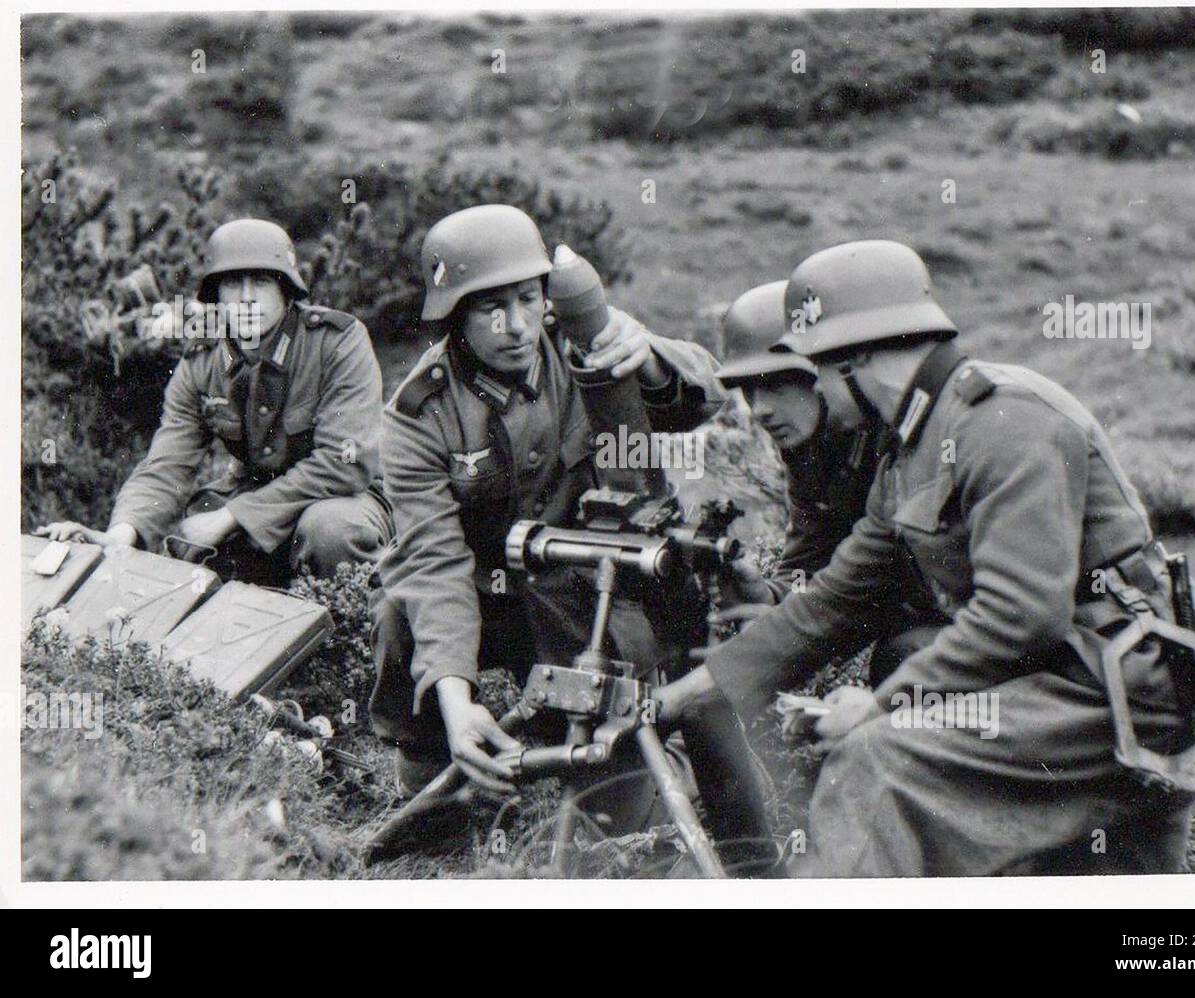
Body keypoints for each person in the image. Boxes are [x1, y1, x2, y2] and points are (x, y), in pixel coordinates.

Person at [656, 239, 1195, 876]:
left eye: (813, 372)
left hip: (1112, 691)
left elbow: (1021, 615)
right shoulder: (911, 449)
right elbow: (838, 597)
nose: (806, 397)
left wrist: (885, 703)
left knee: (874, 762)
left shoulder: (1002, 420)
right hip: (1056, 685)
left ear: (853, 359)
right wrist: (704, 687)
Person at [367, 204, 771, 864]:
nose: (517, 325)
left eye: (528, 298)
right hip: (489, 598)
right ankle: (439, 816)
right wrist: (456, 700)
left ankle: (630, 813)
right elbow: (432, 564)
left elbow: (704, 391)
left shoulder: (586, 344)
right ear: (453, 316)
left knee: (614, 812)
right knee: (399, 623)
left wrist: (651, 358)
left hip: (598, 593)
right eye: (491, 307)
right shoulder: (418, 415)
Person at [39, 219, 392, 586]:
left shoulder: (337, 341)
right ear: (216, 295)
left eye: (261, 281)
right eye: (232, 283)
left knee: (329, 529)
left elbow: (345, 465)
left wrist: (232, 517)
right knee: (190, 543)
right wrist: (121, 535)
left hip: (352, 496)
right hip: (260, 492)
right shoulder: (202, 360)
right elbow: (169, 463)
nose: (246, 297)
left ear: (286, 289)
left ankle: (358, 629)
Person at [713, 280, 942, 680]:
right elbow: (813, 557)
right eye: (748, 392)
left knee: (903, 656)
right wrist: (769, 596)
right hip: (887, 605)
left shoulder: (897, 435)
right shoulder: (810, 448)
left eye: (776, 385)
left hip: (960, 621)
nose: (760, 411)